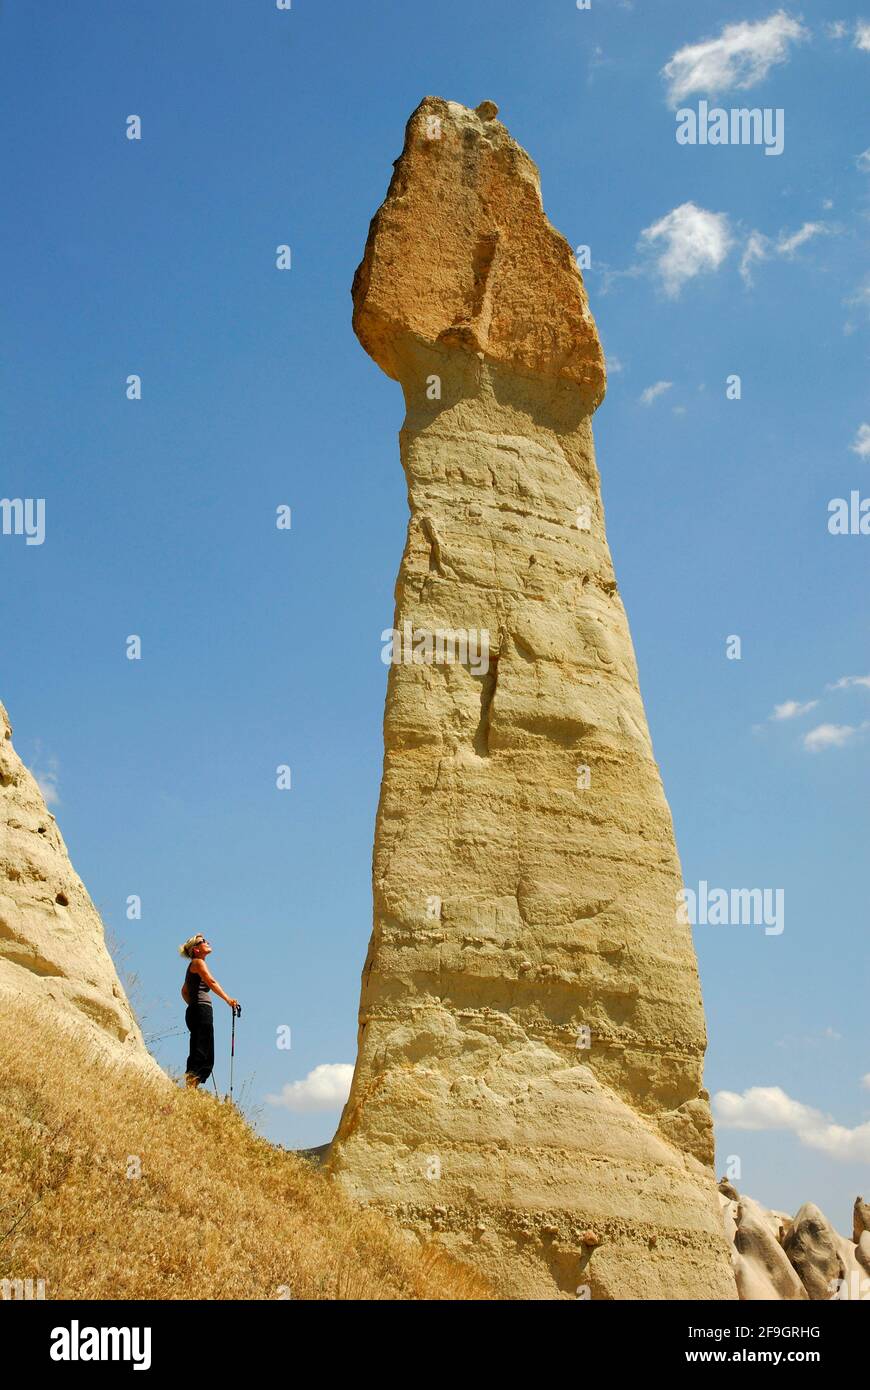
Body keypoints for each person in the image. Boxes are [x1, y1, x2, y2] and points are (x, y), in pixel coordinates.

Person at [178, 934, 240, 1088]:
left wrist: (193, 1005)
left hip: (197, 1011)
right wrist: (228, 1000)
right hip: (201, 1011)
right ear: (196, 949)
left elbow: (184, 991)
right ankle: (190, 1087)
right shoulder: (198, 962)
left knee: (203, 1050)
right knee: (201, 1051)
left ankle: (192, 1087)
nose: (207, 942)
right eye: (202, 941)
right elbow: (211, 981)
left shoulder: (194, 965)